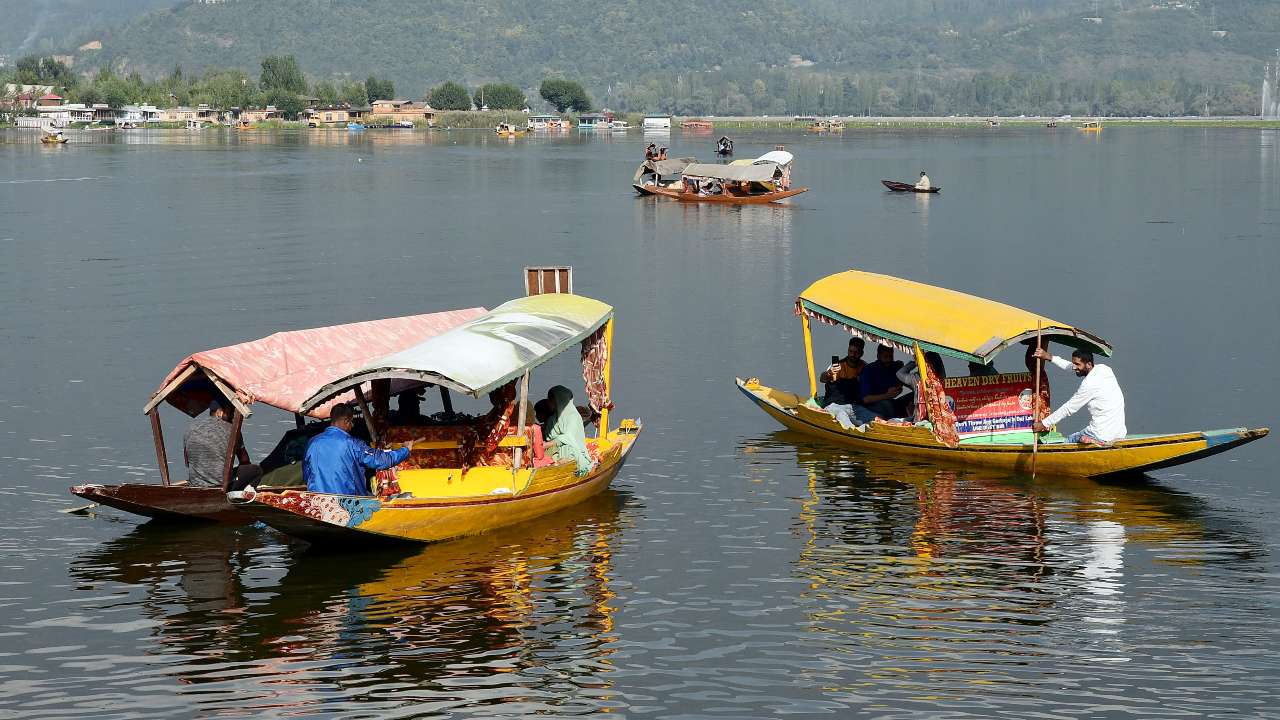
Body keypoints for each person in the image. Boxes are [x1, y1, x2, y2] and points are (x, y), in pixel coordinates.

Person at [303, 404, 416, 495]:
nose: (352, 426)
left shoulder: (312, 442)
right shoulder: (353, 444)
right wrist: (405, 450)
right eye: (352, 422)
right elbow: (380, 460)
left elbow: (307, 475)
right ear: (346, 421)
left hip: (318, 501)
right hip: (348, 503)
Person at [1031, 348, 1126, 445]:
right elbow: (1071, 366)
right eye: (1074, 364)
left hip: (1099, 434)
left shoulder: (1089, 384)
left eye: (1077, 364)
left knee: (1069, 440)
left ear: (1089, 365)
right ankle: (1096, 441)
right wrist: (1049, 357)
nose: (1074, 367)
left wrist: (1043, 424)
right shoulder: (1105, 369)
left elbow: (1068, 408)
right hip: (1119, 433)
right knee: (1080, 434)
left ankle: (1096, 441)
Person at [183, 398, 261, 490]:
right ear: (219, 412)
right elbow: (245, 461)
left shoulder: (190, 429)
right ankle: (241, 495)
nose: (232, 417)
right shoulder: (233, 430)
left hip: (196, 483)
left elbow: (187, 462)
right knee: (256, 470)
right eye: (231, 413)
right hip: (221, 485)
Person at [544, 385, 594, 475]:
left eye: (550, 400)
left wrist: (548, 444)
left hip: (572, 451)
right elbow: (548, 437)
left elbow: (569, 437)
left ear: (559, 400)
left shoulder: (573, 417)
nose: (548, 403)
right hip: (553, 452)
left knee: (567, 455)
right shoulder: (552, 419)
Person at [896, 351, 948, 420]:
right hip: (935, 418)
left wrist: (916, 362)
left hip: (921, 419)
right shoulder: (941, 378)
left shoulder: (916, 378)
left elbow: (899, 373)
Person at [859, 345, 905, 419]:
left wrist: (898, 387)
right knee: (888, 405)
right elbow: (866, 399)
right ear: (878, 356)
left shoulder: (894, 366)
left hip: (891, 401)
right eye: (885, 357)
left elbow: (900, 385)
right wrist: (887, 395)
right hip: (873, 405)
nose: (888, 360)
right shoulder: (870, 370)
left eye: (890, 357)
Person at [820, 337, 866, 406]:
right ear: (848, 350)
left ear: (861, 353)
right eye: (851, 351)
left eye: (856, 352)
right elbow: (822, 379)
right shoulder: (838, 365)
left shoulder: (865, 367)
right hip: (836, 403)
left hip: (854, 404)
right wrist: (829, 373)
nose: (853, 355)